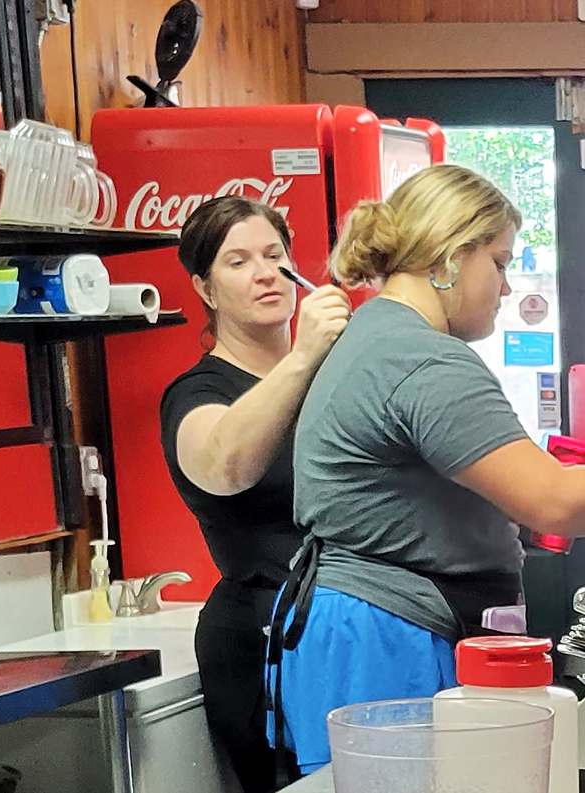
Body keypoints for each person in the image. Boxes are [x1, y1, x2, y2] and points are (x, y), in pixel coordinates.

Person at [267, 163, 585, 776]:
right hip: (393, 634)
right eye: (498, 262)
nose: (509, 286)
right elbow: (553, 502)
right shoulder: (422, 360)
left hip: (360, 625)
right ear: (448, 255)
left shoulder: (373, 335)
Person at [159, 195, 351, 793]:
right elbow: (225, 466)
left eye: (275, 255)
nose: (266, 272)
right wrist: (302, 357)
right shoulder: (196, 393)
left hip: (345, 629)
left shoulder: (335, 373)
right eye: (238, 262)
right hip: (264, 642)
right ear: (206, 289)